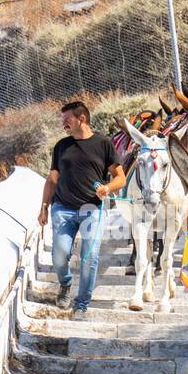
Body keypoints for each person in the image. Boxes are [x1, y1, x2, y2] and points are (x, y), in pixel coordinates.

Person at [37, 101, 125, 319]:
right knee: (59, 255)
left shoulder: (103, 143)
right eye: (62, 120)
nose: (63, 124)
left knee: (90, 256)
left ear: (81, 119)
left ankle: (82, 304)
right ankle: (65, 284)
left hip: (92, 210)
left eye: (67, 120)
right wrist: (44, 208)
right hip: (62, 209)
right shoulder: (61, 146)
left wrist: (107, 188)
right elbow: (52, 180)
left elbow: (120, 178)